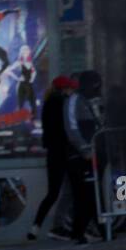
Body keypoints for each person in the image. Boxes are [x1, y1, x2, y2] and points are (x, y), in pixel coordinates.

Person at [27, 75, 78, 240]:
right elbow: (68, 128)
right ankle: (68, 227)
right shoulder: (62, 103)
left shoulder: (49, 102)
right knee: (76, 190)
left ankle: (36, 227)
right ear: (64, 89)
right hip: (65, 152)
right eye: (70, 88)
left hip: (53, 153)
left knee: (53, 193)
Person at [63, 70, 104, 244]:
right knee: (85, 193)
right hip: (81, 156)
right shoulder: (74, 101)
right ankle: (82, 230)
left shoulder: (95, 101)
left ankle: (102, 227)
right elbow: (72, 128)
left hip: (99, 153)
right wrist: (84, 150)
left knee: (97, 191)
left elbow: (102, 123)